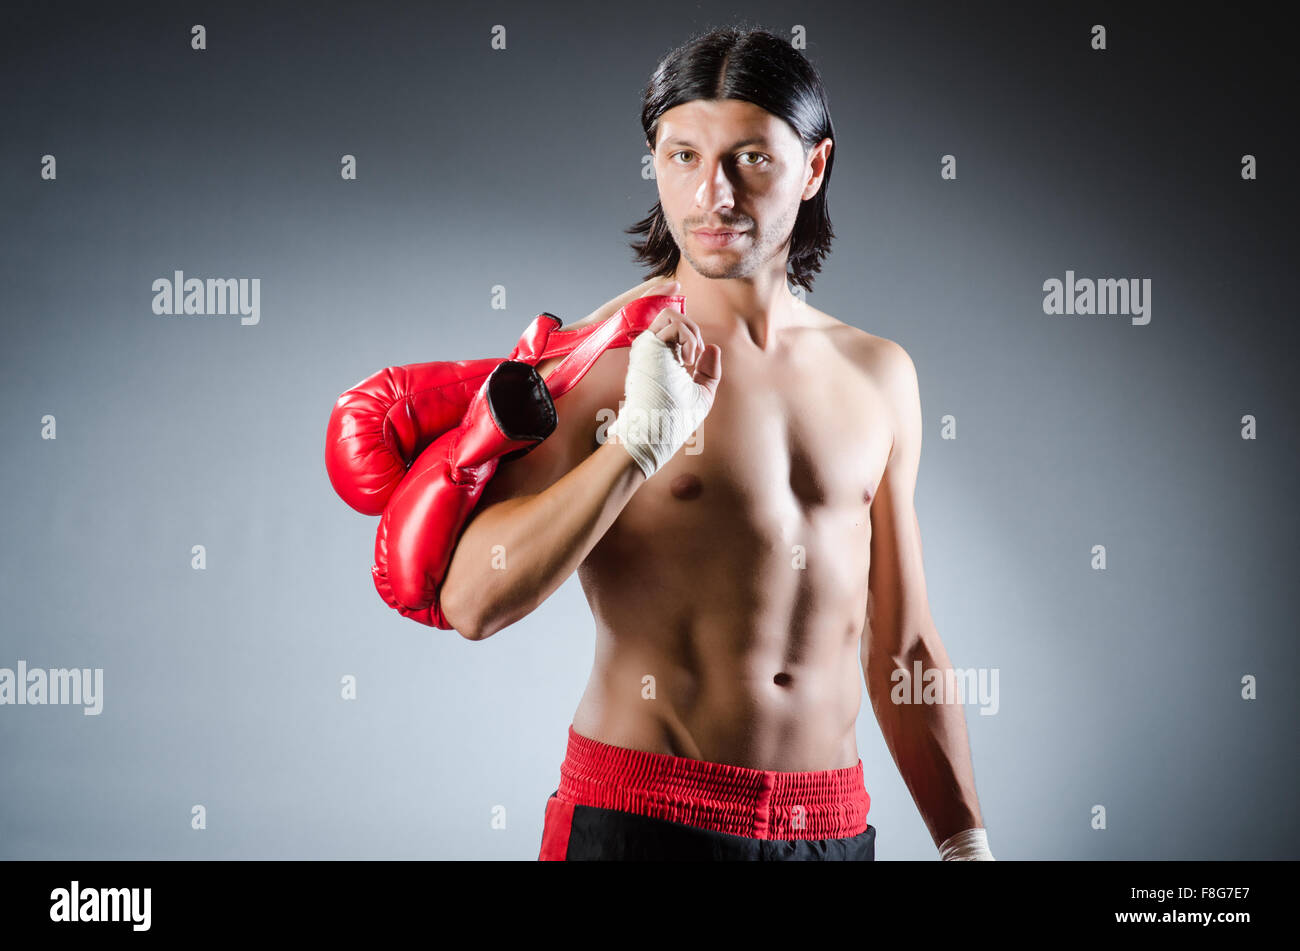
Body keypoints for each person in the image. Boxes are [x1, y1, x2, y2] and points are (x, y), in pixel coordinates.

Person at [439, 25, 994, 861]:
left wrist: (963, 840)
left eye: (751, 158)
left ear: (813, 167)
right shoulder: (595, 362)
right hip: (644, 821)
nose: (714, 196)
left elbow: (903, 643)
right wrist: (635, 444)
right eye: (683, 157)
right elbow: (471, 602)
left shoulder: (879, 374)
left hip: (832, 829)